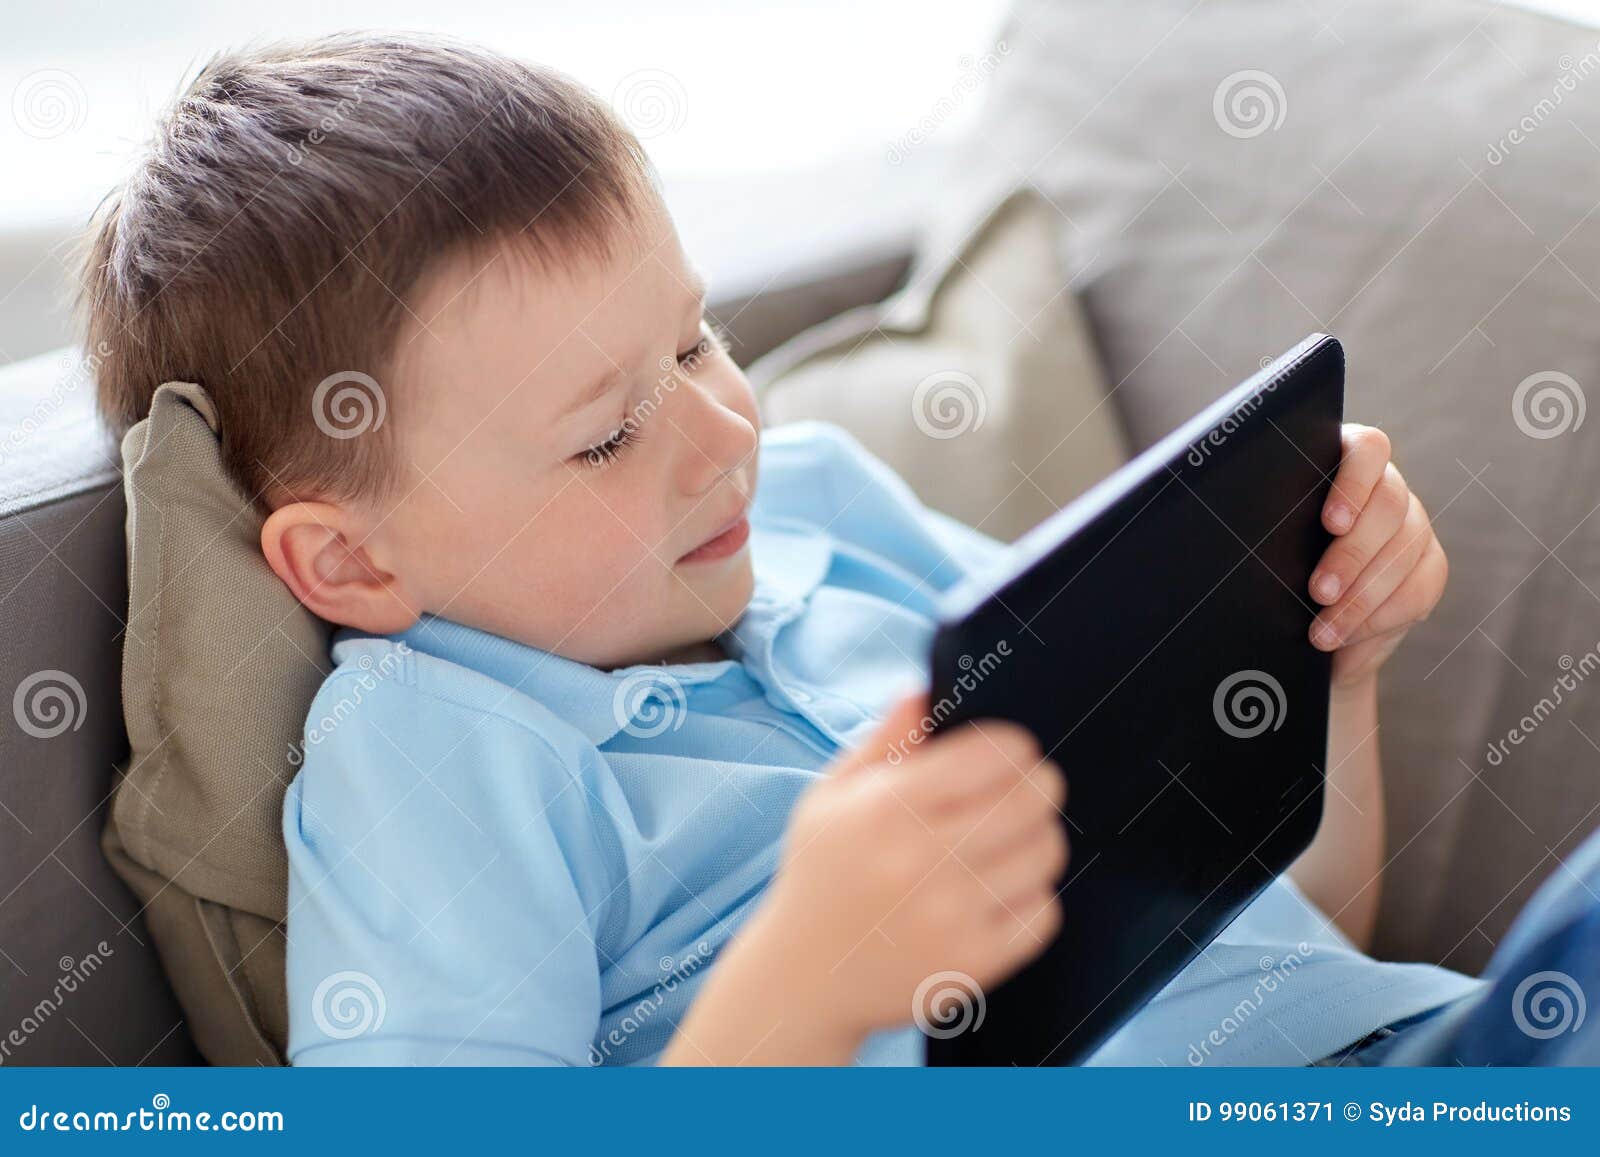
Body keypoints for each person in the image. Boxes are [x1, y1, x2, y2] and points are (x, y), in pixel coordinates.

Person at [79, 33, 1589, 1066]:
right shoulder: (433, 757)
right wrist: (804, 979)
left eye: (698, 337)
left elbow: (1305, 934)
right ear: (348, 567)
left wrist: (1334, 666)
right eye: (605, 434)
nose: (723, 432)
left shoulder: (826, 508)